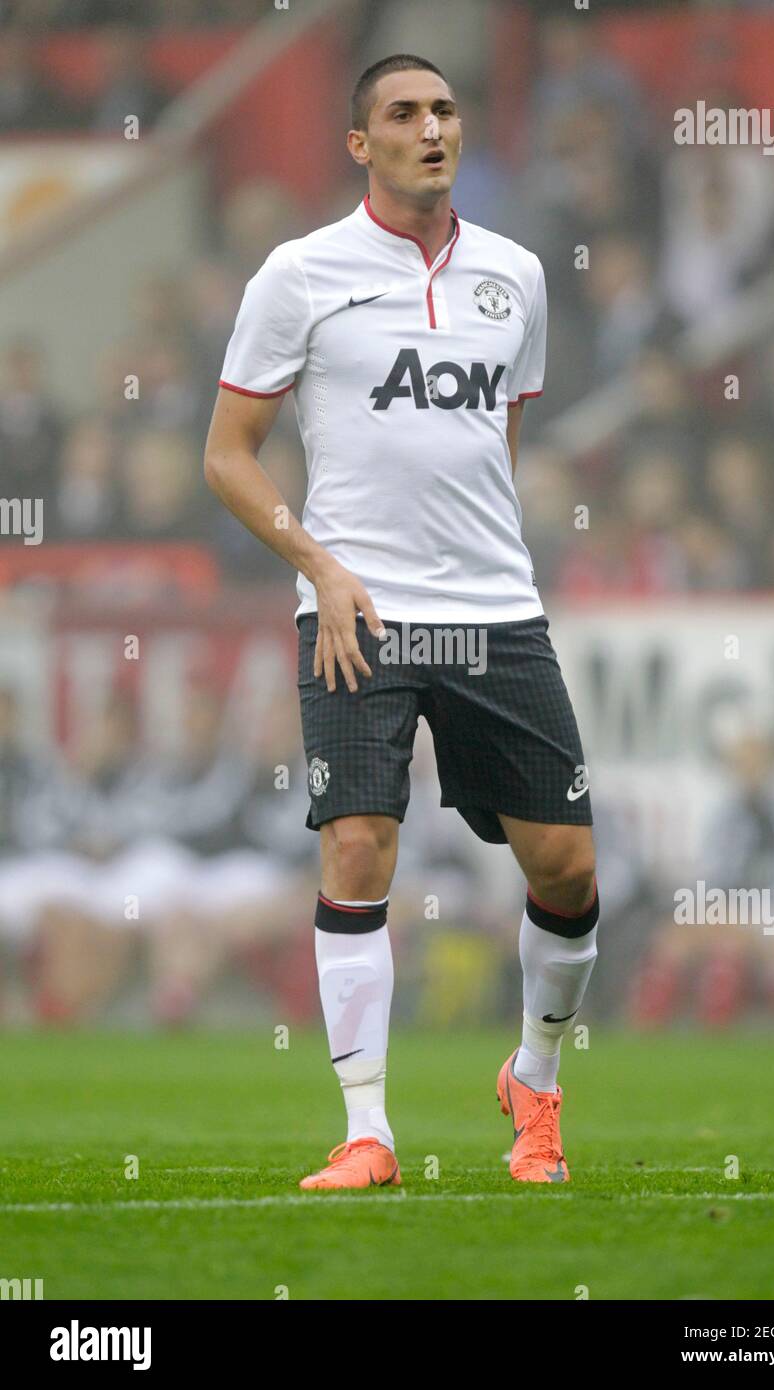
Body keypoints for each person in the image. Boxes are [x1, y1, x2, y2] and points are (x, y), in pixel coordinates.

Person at [204, 55, 600, 1190]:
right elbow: (227, 457)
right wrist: (318, 567)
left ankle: (533, 1079)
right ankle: (368, 1130)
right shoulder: (298, 273)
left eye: (443, 110)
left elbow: (493, 447)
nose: (431, 128)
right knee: (358, 847)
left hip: (489, 609)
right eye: (402, 114)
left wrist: (481, 559)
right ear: (357, 143)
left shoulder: (515, 276)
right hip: (355, 607)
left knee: (567, 868)